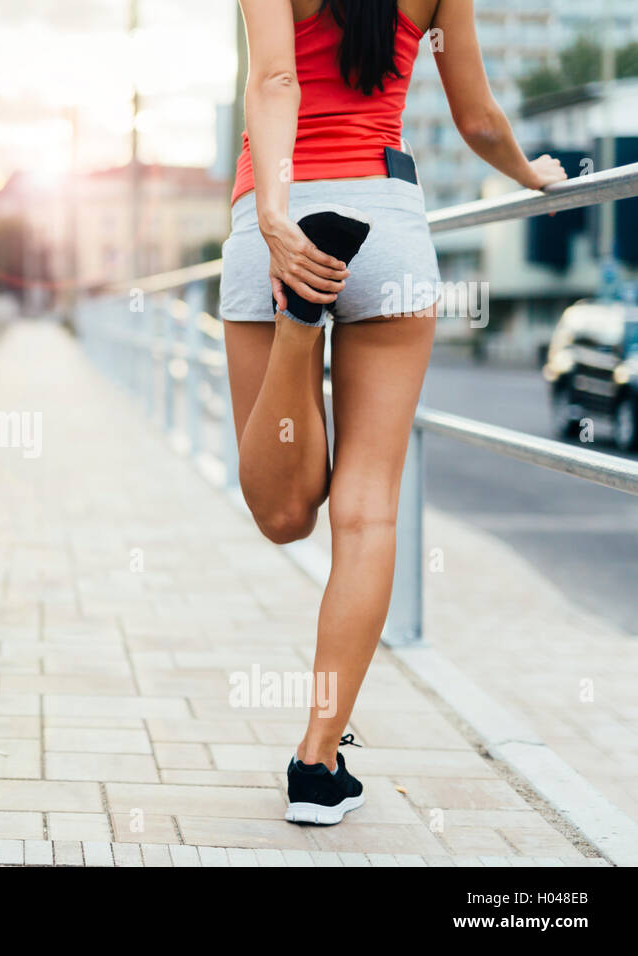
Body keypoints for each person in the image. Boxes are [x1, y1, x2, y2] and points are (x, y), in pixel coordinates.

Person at [222, 0, 565, 824]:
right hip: (389, 221)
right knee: (368, 514)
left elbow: (273, 79)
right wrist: (532, 176)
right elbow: (477, 119)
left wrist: (275, 218)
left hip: (274, 215)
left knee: (281, 514)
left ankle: (299, 324)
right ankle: (317, 759)